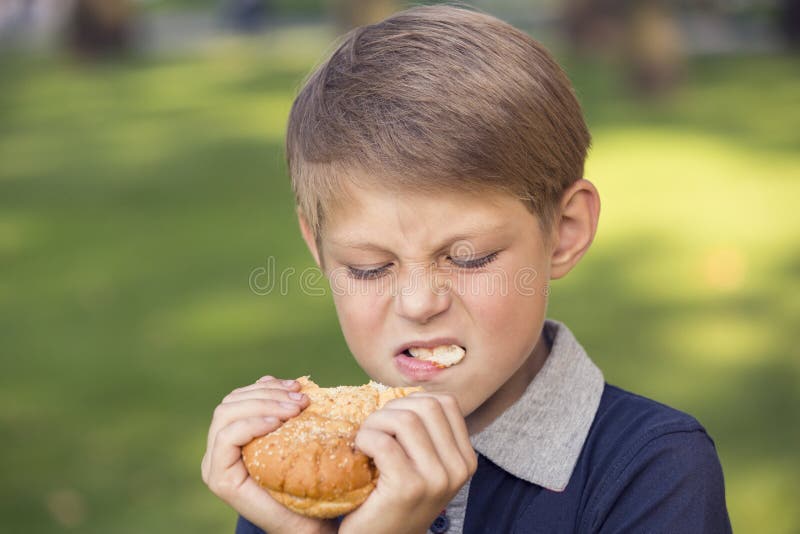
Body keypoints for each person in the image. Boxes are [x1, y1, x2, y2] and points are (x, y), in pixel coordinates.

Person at [201, 5, 732, 533]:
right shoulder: (307, 481)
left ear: (564, 232)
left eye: (468, 257)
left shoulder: (654, 471)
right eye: (368, 267)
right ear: (318, 248)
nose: (418, 303)